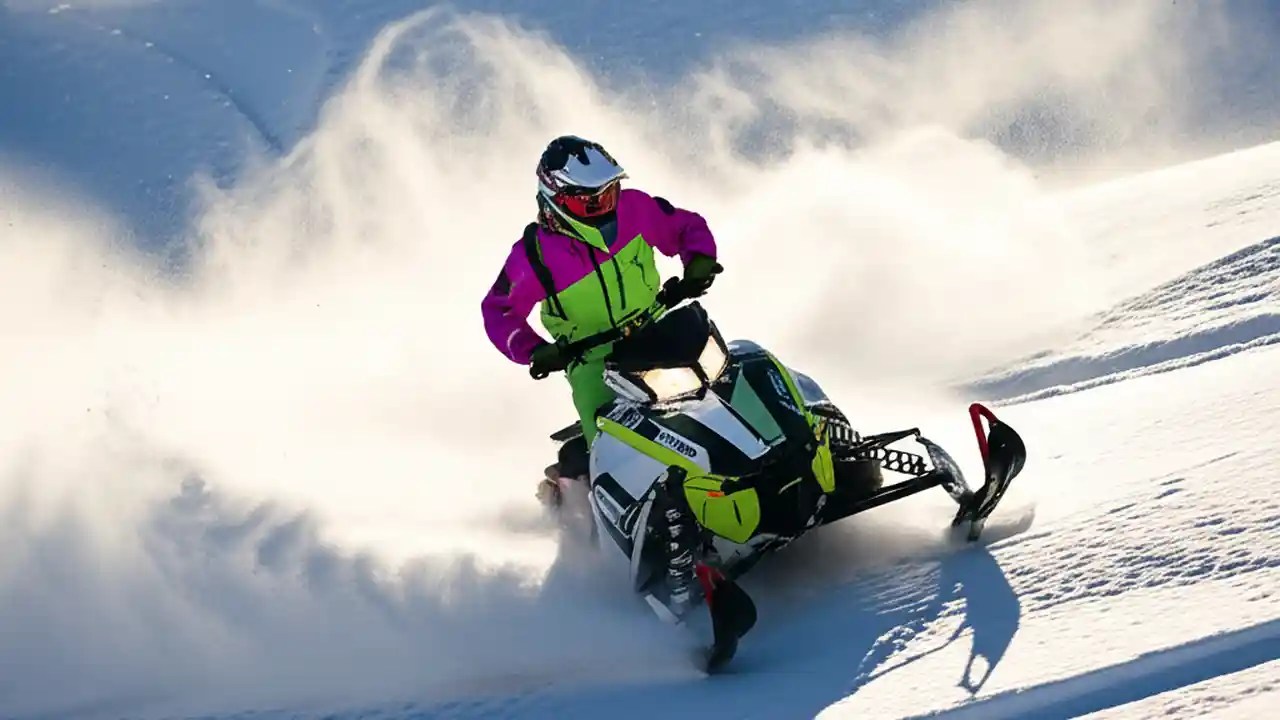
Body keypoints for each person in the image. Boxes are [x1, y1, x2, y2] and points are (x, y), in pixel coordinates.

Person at [481, 135, 722, 488]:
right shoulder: (534, 257)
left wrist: (699, 259)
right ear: (556, 201)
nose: (606, 207)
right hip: (594, 362)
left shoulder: (635, 210)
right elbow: (499, 310)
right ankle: (598, 498)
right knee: (610, 442)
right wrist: (534, 350)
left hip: (658, 329)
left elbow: (685, 226)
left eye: (610, 194)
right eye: (591, 203)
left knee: (721, 382)